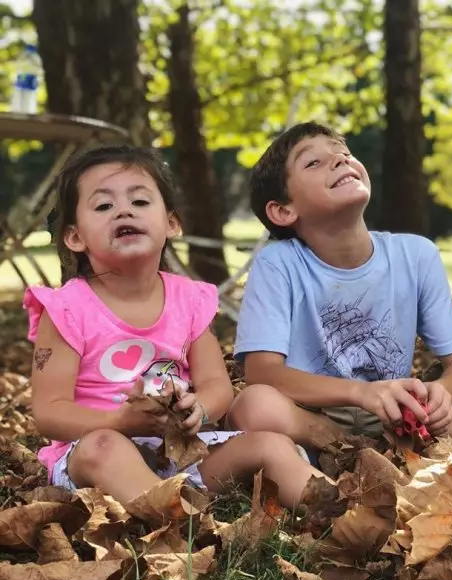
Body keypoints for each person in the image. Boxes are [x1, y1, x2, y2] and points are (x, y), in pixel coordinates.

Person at [27, 145, 325, 508]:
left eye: (139, 201)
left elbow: (217, 385)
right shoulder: (66, 308)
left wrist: (198, 408)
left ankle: (342, 515)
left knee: (270, 444)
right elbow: (49, 412)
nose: (124, 210)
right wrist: (121, 421)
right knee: (103, 449)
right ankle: (177, 525)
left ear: (171, 223)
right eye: (104, 206)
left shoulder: (189, 299)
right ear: (75, 237)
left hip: (181, 451)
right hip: (94, 450)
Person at [228, 122, 452, 446]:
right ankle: (349, 448)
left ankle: (401, 446)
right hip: (314, 413)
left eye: (343, 153)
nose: (340, 160)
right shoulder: (277, 264)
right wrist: (361, 393)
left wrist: (443, 393)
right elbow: (262, 373)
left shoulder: (417, 255)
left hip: (395, 412)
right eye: (313, 162)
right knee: (253, 405)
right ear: (284, 210)